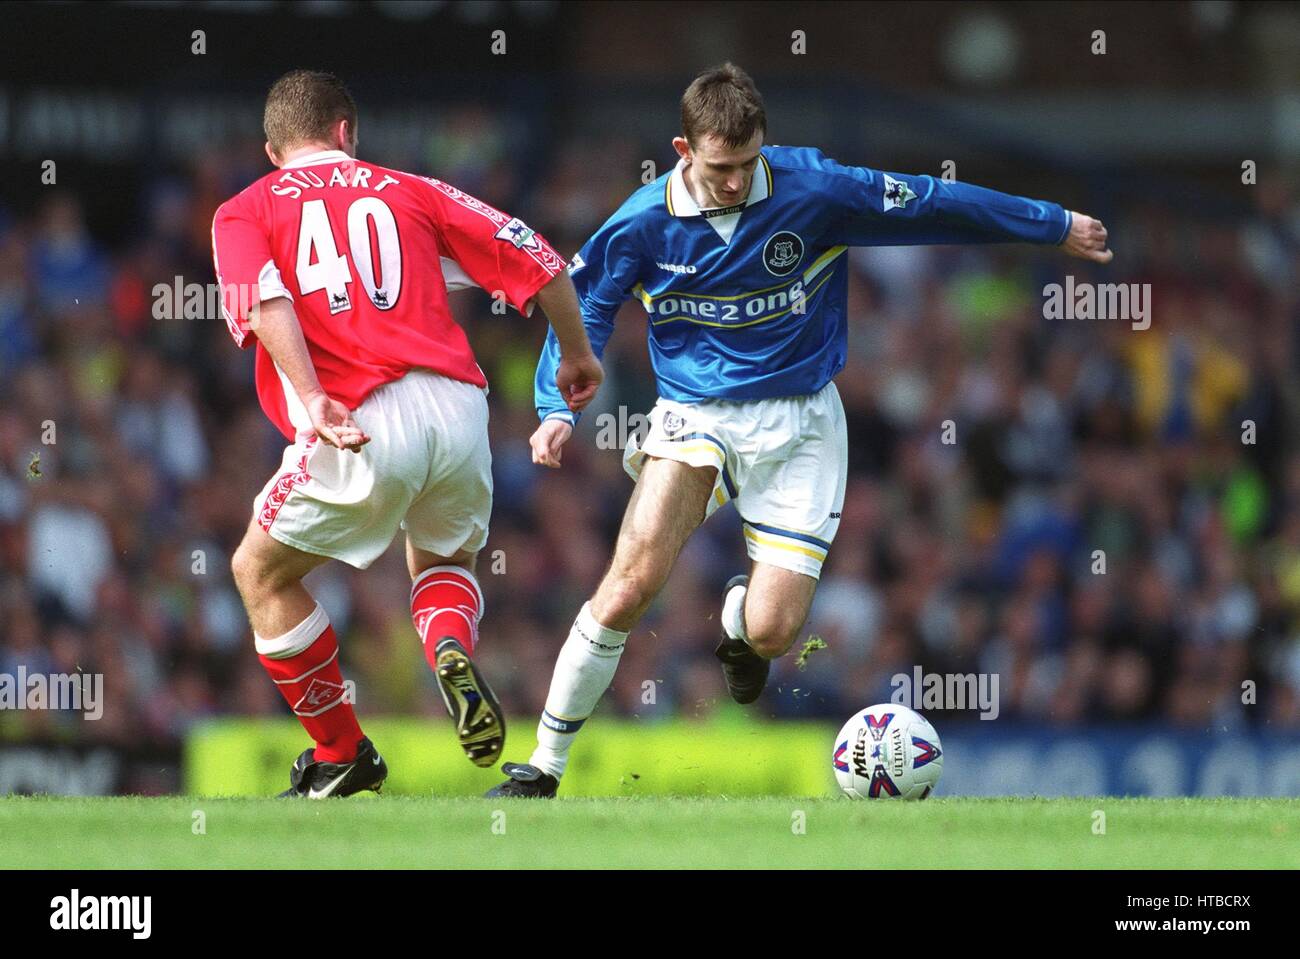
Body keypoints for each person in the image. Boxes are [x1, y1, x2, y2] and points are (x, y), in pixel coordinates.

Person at [488, 62, 1111, 798]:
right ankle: (543, 766)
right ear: (683, 151)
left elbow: (930, 202)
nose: (735, 181)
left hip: (803, 422)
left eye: (748, 163)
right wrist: (558, 409)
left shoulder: (816, 190)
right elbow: (579, 305)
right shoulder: (641, 221)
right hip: (696, 417)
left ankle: (737, 619)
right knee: (629, 583)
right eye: (720, 166)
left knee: (773, 632)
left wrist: (1052, 224)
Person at [211, 70, 602, 799]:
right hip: (458, 407)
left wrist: (314, 395)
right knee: (444, 557)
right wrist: (578, 356)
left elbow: (264, 300)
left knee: (258, 574)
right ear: (346, 134)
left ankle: (340, 753)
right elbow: (539, 254)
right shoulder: (411, 190)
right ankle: (449, 645)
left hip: (360, 414)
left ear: (272, 150)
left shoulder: (242, 211)